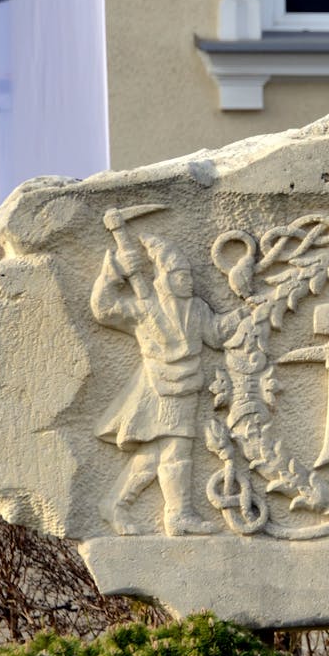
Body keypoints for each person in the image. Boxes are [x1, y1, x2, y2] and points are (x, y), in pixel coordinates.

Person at [91, 206, 240, 536]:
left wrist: (242, 315)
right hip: (159, 388)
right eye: (181, 276)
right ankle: (178, 515)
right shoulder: (146, 309)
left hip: (188, 387)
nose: (189, 281)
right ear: (165, 278)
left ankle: (116, 503)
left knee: (156, 453)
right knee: (176, 449)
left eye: (189, 275)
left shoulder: (196, 309)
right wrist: (115, 272)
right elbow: (104, 310)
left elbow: (216, 335)